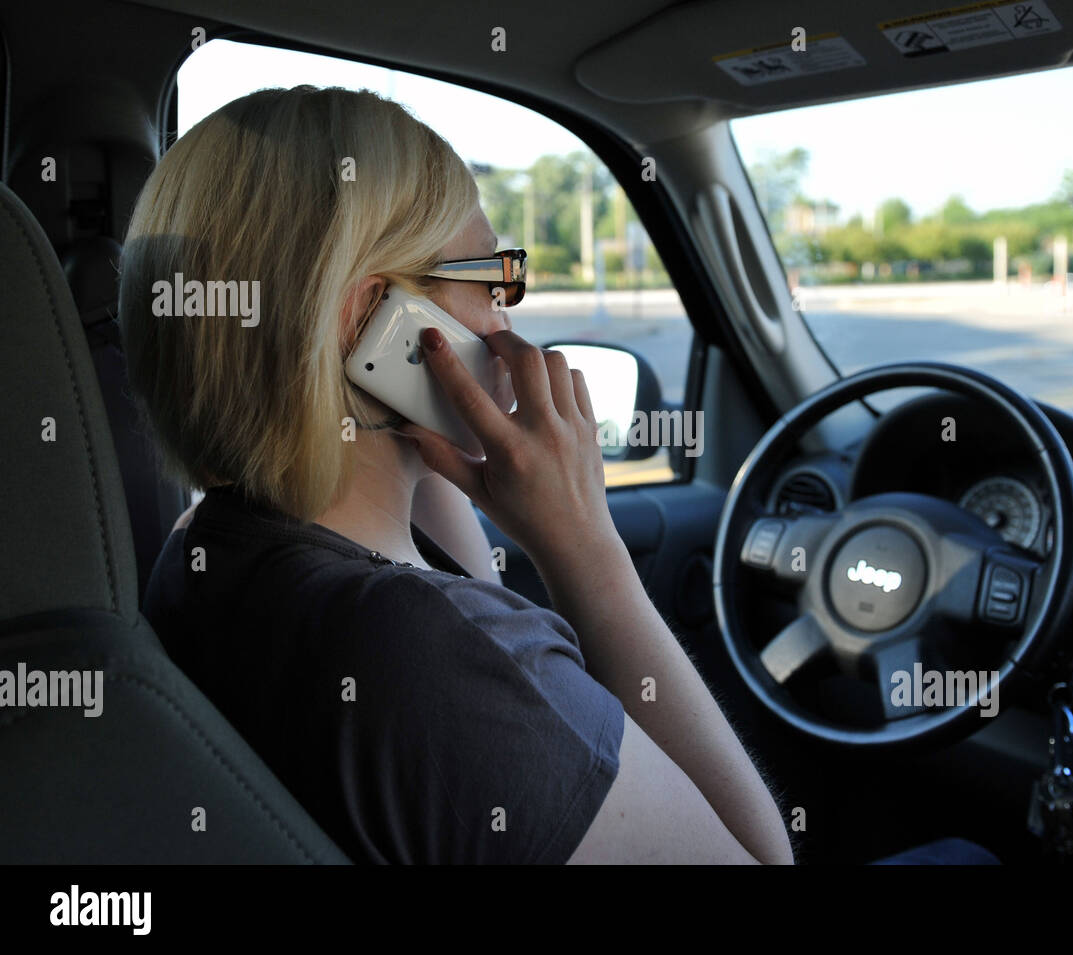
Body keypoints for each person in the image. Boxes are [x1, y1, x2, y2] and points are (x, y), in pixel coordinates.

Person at [120, 85, 793, 864]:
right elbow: (761, 856)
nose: (507, 318)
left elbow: (459, 591)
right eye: (494, 277)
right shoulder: (427, 659)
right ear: (372, 321)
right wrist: (587, 547)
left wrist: (423, 412)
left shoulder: (203, 552)